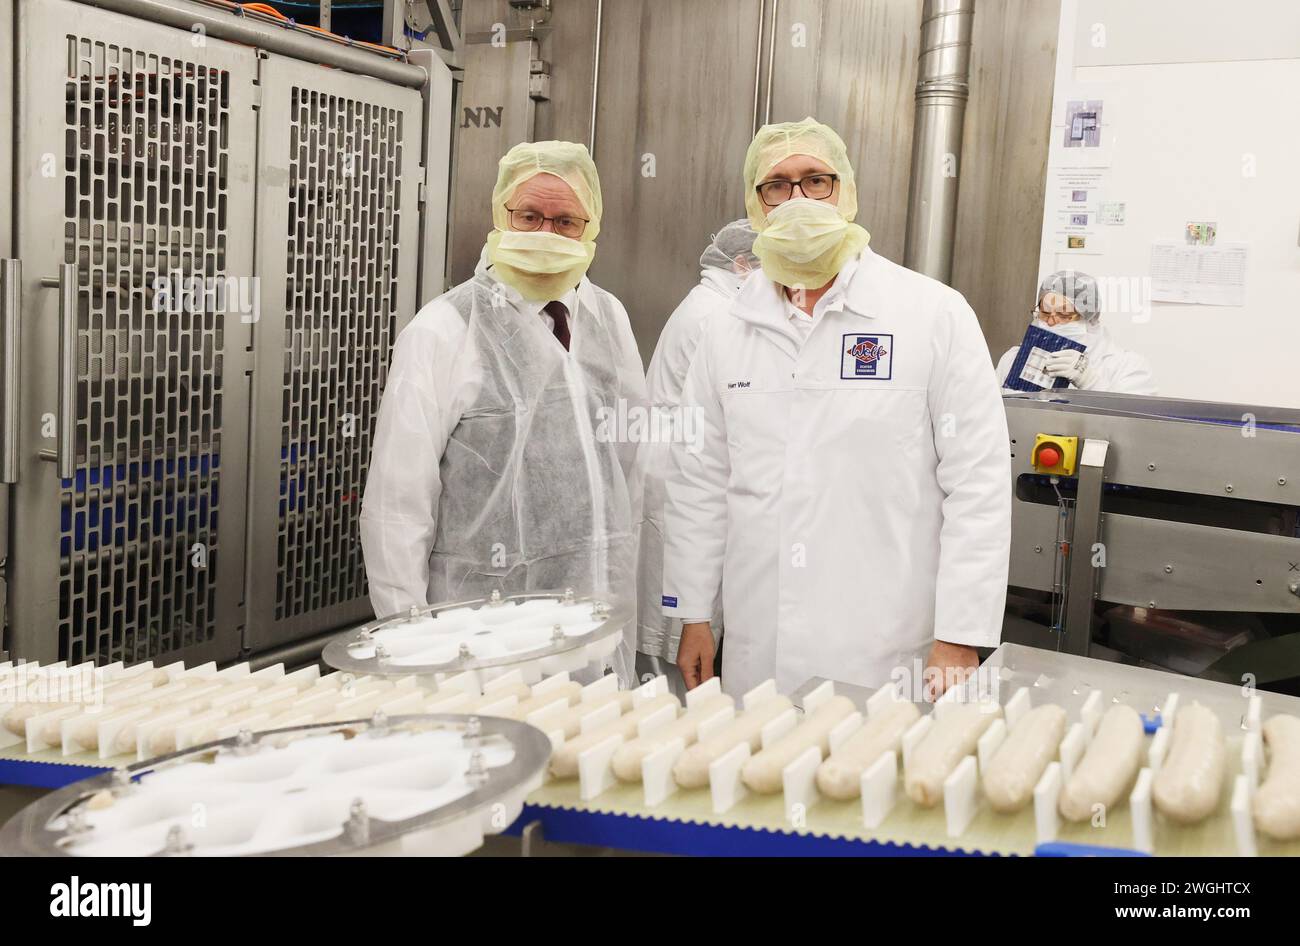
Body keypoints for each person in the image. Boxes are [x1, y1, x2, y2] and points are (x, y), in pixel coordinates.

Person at [663, 117, 1011, 698]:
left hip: (886, 647)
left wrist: (961, 634)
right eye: (777, 185)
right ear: (756, 204)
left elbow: (977, 484)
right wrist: (694, 613)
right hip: (760, 642)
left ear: (844, 192)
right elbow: (699, 481)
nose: (796, 199)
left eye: (815, 180)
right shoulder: (727, 331)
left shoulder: (933, 315)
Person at [360, 140, 646, 684]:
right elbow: (397, 510)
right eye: (529, 215)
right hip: (477, 644)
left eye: (566, 221)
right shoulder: (444, 329)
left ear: (591, 228)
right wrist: (409, 647)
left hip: (595, 631)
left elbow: (631, 469)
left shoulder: (608, 318)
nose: (545, 234)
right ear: (500, 215)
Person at [636, 220, 760, 693]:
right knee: (679, 620)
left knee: (677, 613)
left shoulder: (710, 303)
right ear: (742, 264)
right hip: (680, 467)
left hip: (673, 460)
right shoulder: (716, 314)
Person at [995, 271, 1157, 395]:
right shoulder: (1012, 359)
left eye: (1064, 315)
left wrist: (1091, 382)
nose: (1051, 322)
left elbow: (1132, 429)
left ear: (1090, 320)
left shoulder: (1128, 367)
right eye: (1044, 313)